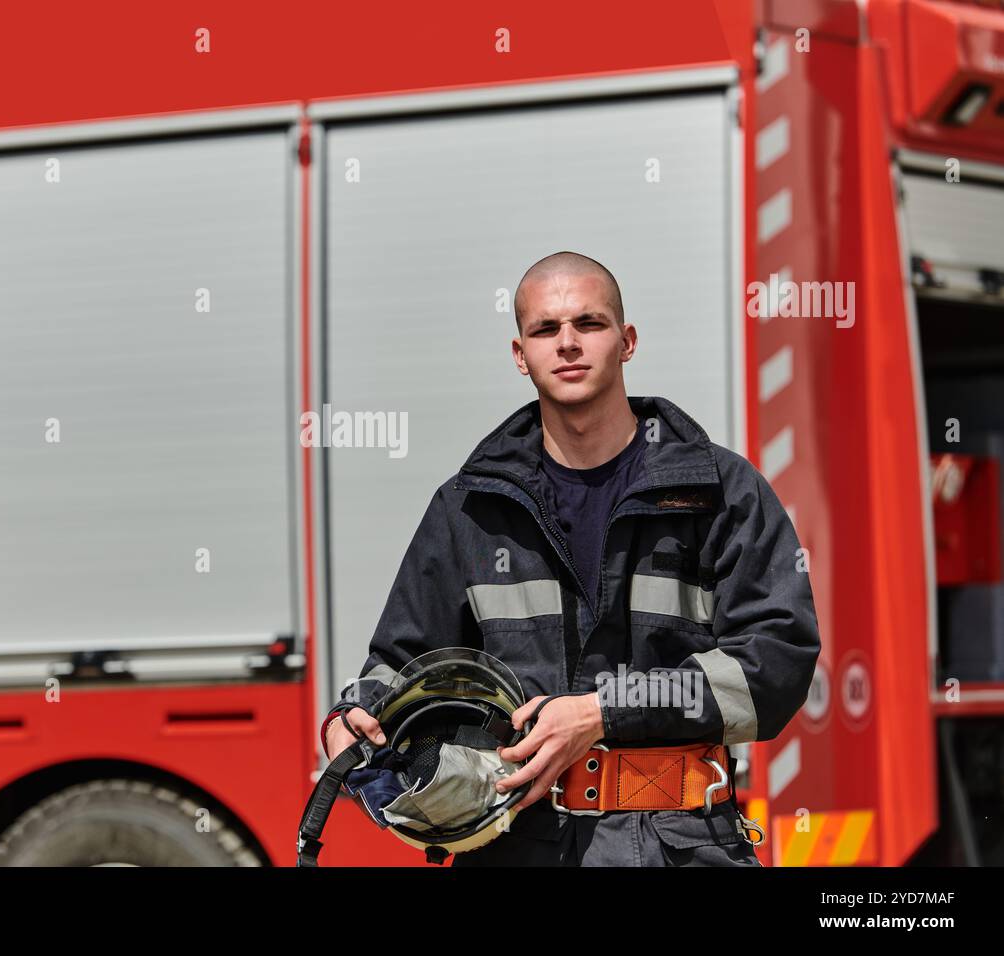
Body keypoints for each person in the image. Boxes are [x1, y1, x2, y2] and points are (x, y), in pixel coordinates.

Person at [319, 251, 821, 866]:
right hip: (518, 849)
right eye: (545, 330)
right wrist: (350, 715)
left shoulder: (719, 491)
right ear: (519, 354)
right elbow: (402, 662)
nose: (568, 344)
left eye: (589, 323)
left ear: (627, 340)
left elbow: (776, 667)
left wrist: (603, 712)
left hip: (680, 847)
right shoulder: (469, 509)